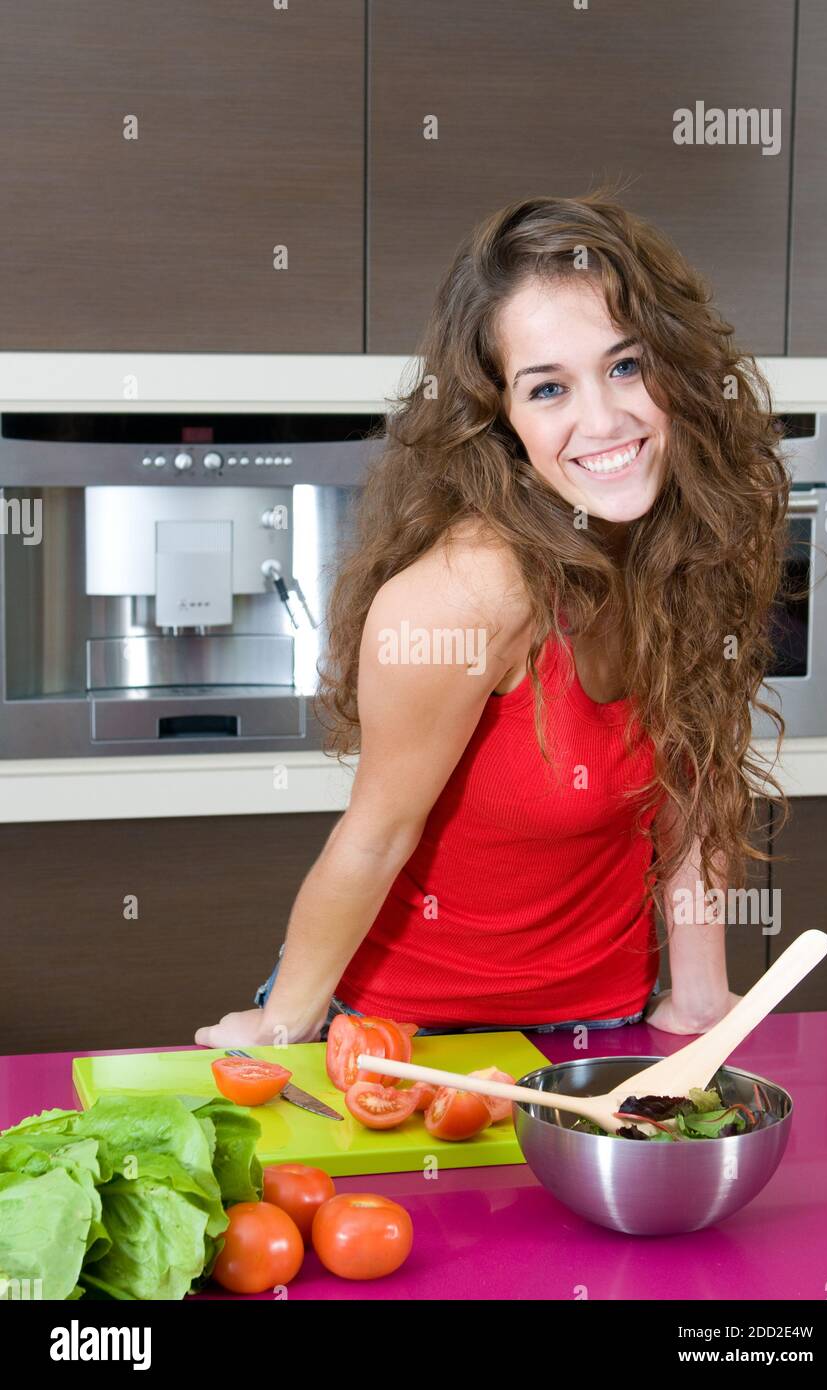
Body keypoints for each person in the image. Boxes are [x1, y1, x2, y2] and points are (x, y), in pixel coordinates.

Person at [195, 190, 790, 1048]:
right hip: (410, 1038)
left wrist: (697, 997)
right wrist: (281, 1024)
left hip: (603, 1027)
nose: (604, 419)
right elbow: (376, 834)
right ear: (502, 420)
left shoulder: (687, 545)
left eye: (626, 366)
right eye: (548, 388)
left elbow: (689, 791)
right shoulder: (468, 595)